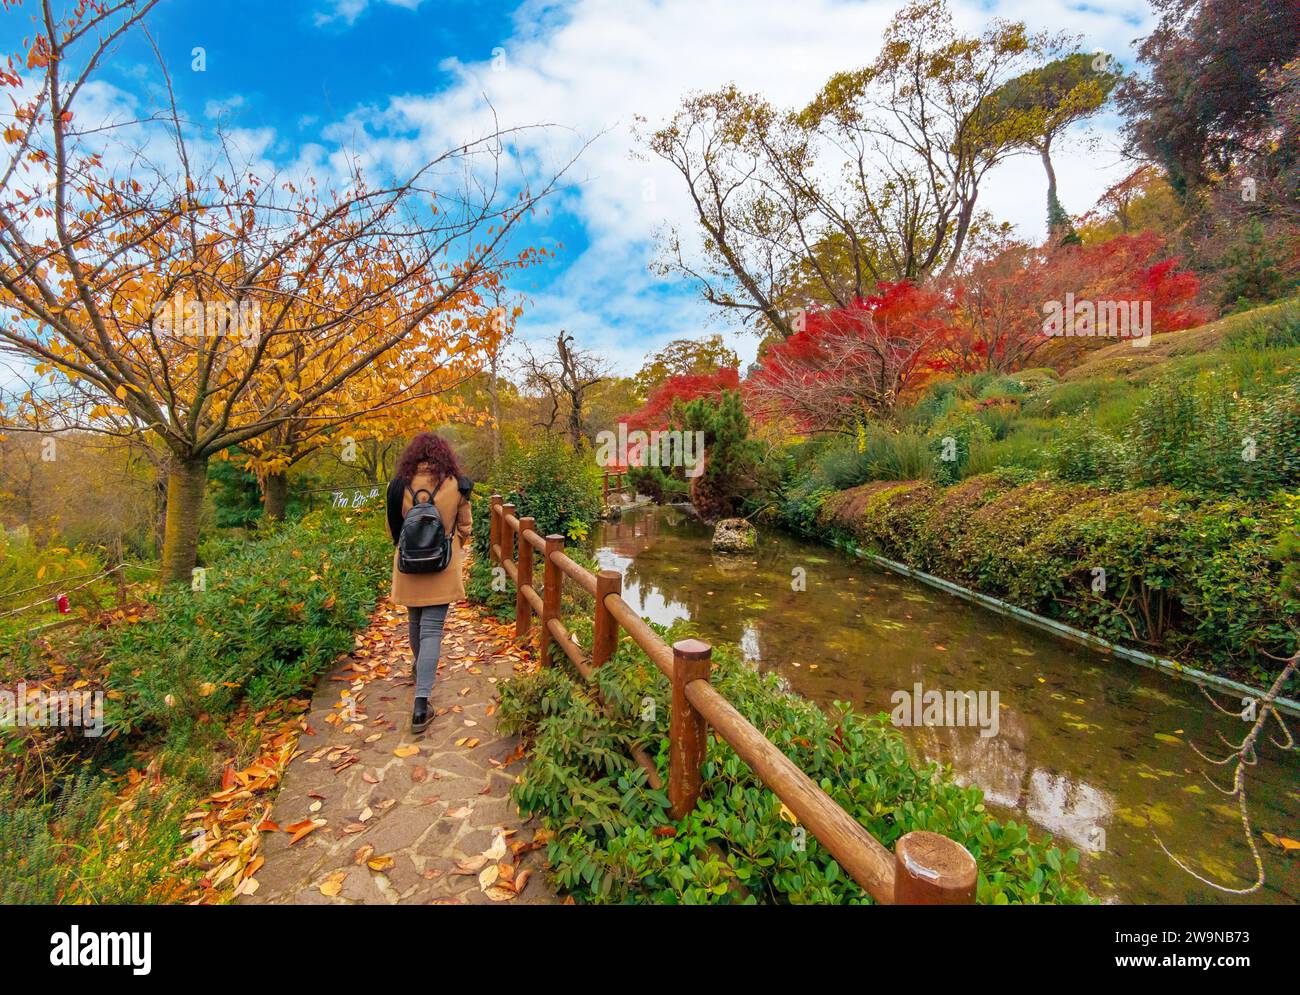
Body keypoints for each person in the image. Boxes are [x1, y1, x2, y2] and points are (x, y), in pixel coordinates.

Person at [385, 433, 473, 732]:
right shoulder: (455, 484)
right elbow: (466, 527)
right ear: (444, 454)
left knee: (414, 621)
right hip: (442, 566)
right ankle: (421, 705)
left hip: (408, 566)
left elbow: (392, 529)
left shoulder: (398, 485)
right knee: (432, 629)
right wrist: (451, 545)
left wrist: (408, 549)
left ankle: (419, 669)